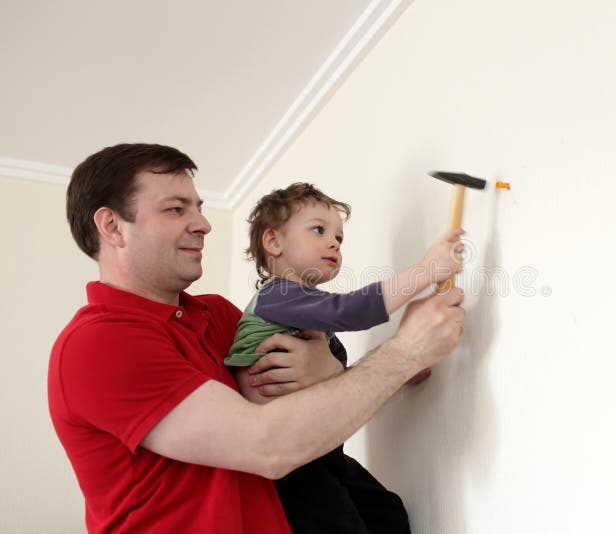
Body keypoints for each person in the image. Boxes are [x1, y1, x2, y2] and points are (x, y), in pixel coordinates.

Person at [48, 143, 466, 533]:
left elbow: (304, 408)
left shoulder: (221, 316)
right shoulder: (96, 344)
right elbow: (267, 444)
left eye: (199, 207)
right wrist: (405, 352)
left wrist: (334, 369)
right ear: (112, 227)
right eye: (176, 209)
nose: (204, 224)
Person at [227, 183, 464, 533]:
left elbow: (332, 381)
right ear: (274, 242)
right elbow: (350, 310)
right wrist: (426, 270)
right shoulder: (276, 297)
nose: (334, 243)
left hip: (321, 448)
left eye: (339, 237)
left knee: (388, 513)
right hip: (291, 461)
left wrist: (398, 371)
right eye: (318, 230)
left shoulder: (304, 311)